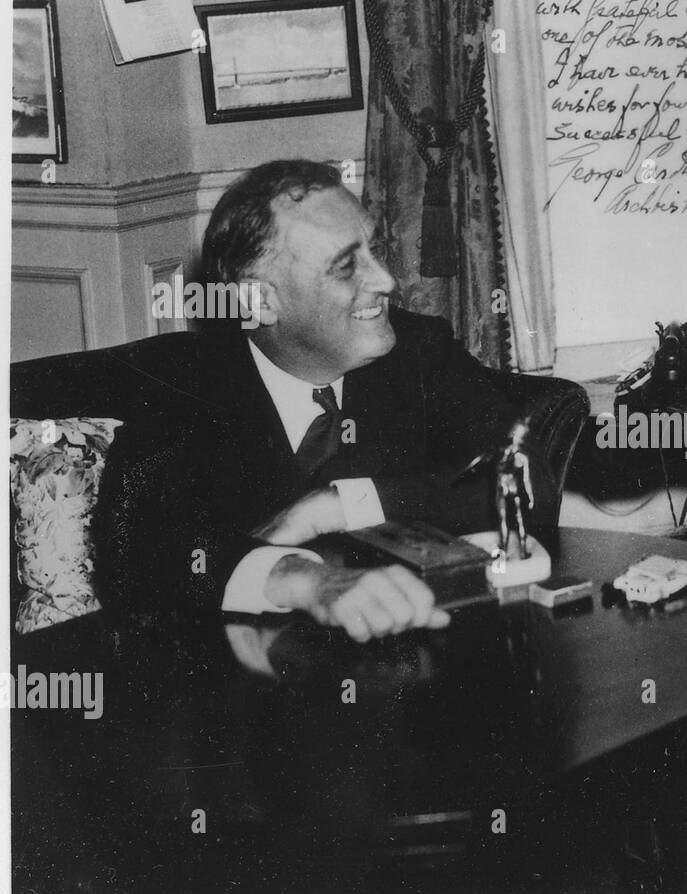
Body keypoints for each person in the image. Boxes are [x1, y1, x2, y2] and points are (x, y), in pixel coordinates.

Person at [93, 160, 552, 643]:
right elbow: (138, 555)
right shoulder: (181, 386)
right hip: (250, 690)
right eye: (347, 265)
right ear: (260, 302)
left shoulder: (419, 353)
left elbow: (527, 479)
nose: (386, 281)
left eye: (374, 250)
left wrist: (337, 506)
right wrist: (304, 579)